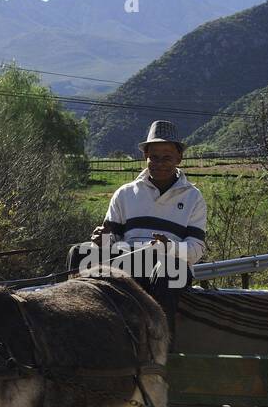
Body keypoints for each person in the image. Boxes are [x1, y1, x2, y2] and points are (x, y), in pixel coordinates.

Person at [78, 120, 207, 334]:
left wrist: (168, 247)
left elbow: (196, 251)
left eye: (167, 157)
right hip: (131, 263)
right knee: (80, 254)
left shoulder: (194, 197)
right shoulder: (125, 193)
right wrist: (102, 241)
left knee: (167, 271)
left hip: (172, 268)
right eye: (154, 157)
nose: (160, 163)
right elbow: (113, 244)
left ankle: (160, 349)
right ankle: (83, 337)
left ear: (179, 158)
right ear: (145, 156)